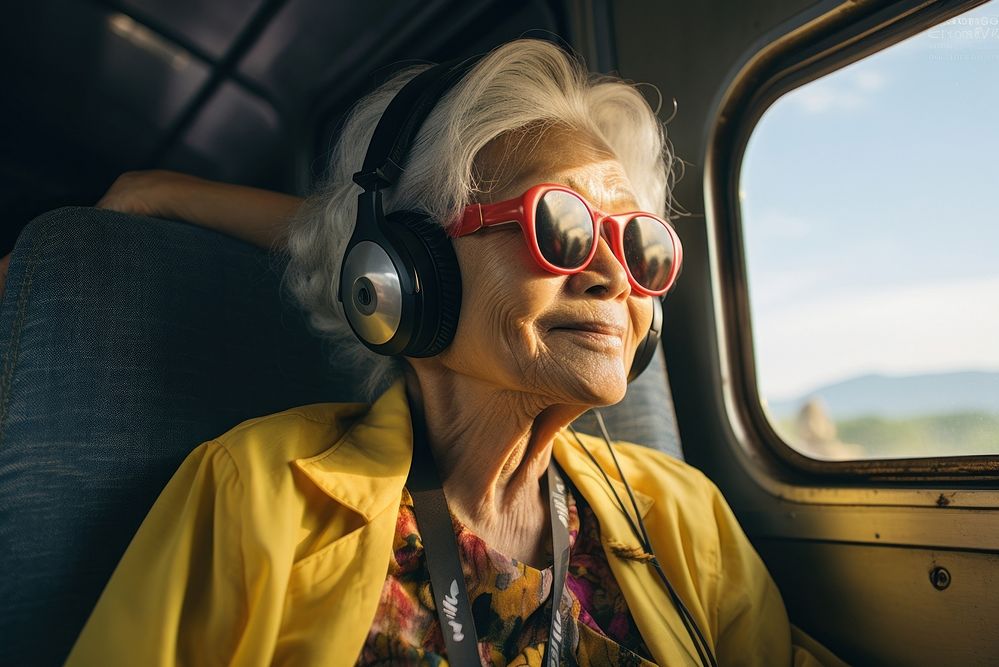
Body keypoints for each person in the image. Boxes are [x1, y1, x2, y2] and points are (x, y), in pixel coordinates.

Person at [64, 40, 840, 666]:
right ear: (409, 276)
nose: (612, 276)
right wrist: (157, 196)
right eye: (563, 227)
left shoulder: (682, 512)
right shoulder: (256, 497)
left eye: (639, 244)